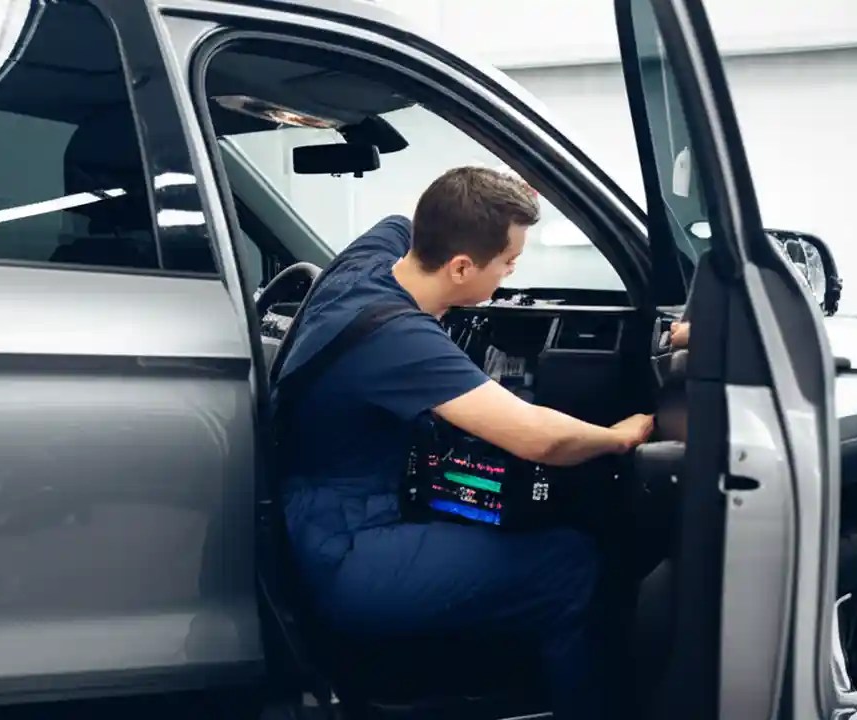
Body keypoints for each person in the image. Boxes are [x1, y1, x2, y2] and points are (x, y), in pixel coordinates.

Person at [273, 166, 655, 720]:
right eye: (508, 264)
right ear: (460, 267)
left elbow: (416, 216)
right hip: (346, 552)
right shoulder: (399, 339)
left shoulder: (373, 257)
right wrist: (620, 437)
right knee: (571, 565)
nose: (509, 274)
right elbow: (539, 439)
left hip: (306, 517)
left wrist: (504, 194)